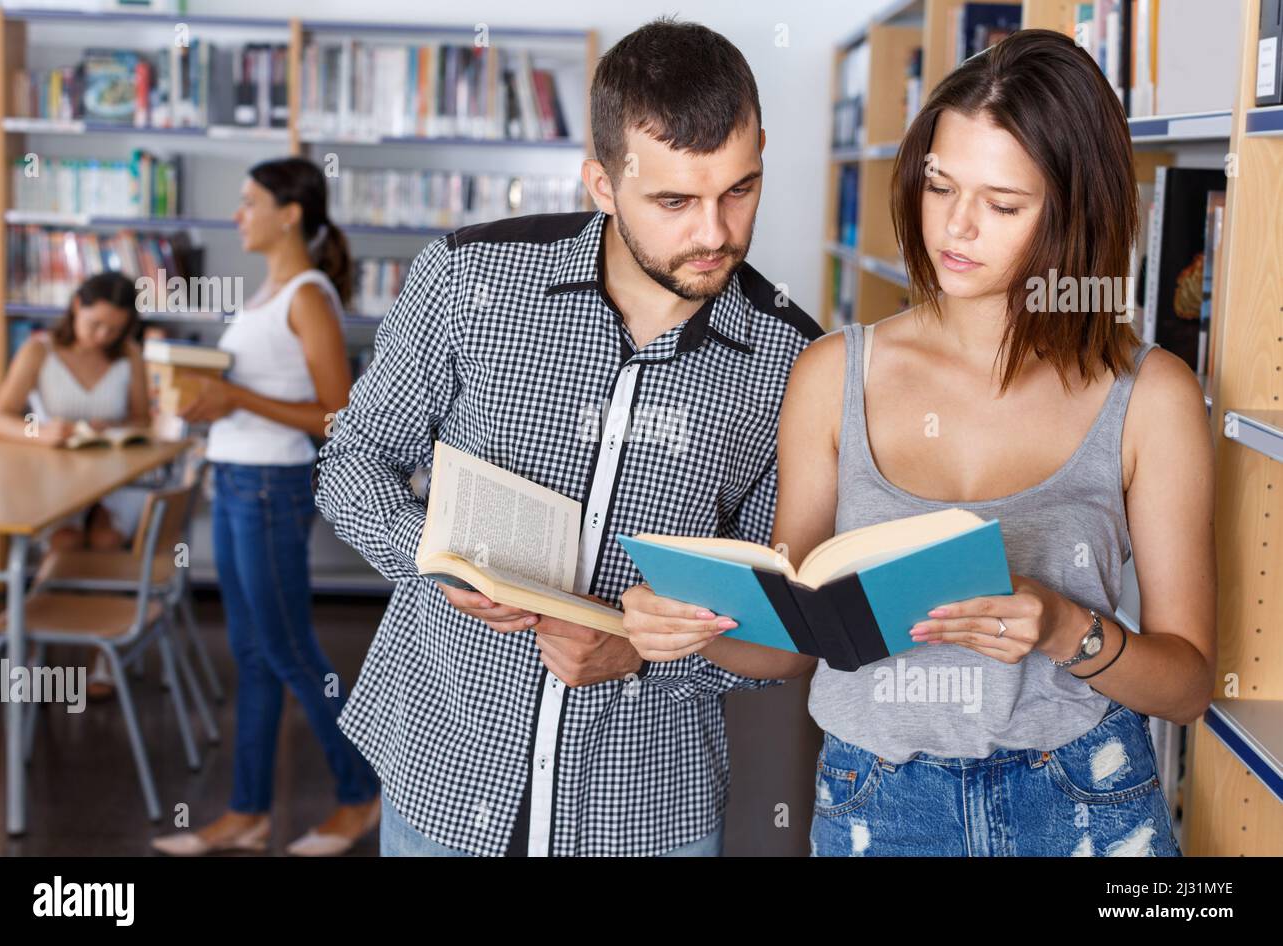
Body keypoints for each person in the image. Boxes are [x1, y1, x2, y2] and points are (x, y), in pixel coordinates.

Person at [624, 29, 1216, 857]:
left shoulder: (1150, 396)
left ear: (1076, 210)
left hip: (1086, 797)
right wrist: (675, 631)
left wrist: (1063, 630)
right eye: (940, 187)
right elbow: (798, 642)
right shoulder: (834, 373)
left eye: (1004, 205)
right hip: (878, 802)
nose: (957, 228)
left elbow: (1188, 685)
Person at [314, 18, 822, 856]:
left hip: (647, 808)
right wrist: (434, 558)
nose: (715, 233)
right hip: (446, 771)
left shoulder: (796, 362)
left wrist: (642, 653)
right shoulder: (468, 277)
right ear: (600, 181)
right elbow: (352, 458)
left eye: (740, 189)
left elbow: (784, 618)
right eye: (673, 201)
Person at [150, 157, 380, 856]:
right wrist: (204, 403)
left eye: (249, 202)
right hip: (234, 481)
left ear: (289, 212)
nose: (236, 214)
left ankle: (360, 792)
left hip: (270, 492)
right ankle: (247, 812)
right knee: (252, 654)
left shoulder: (308, 295)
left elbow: (340, 418)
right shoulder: (262, 295)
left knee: (287, 648)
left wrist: (236, 399)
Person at [0, 271, 151, 700]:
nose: (104, 336)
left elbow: (143, 420)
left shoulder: (129, 354)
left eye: (115, 329)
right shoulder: (38, 350)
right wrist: (40, 432)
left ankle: (104, 653)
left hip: (117, 478)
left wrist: (112, 425)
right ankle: (32, 652)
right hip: (57, 479)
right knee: (65, 541)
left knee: (103, 539)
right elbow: (1, 418)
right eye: (95, 324)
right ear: (76, 307)